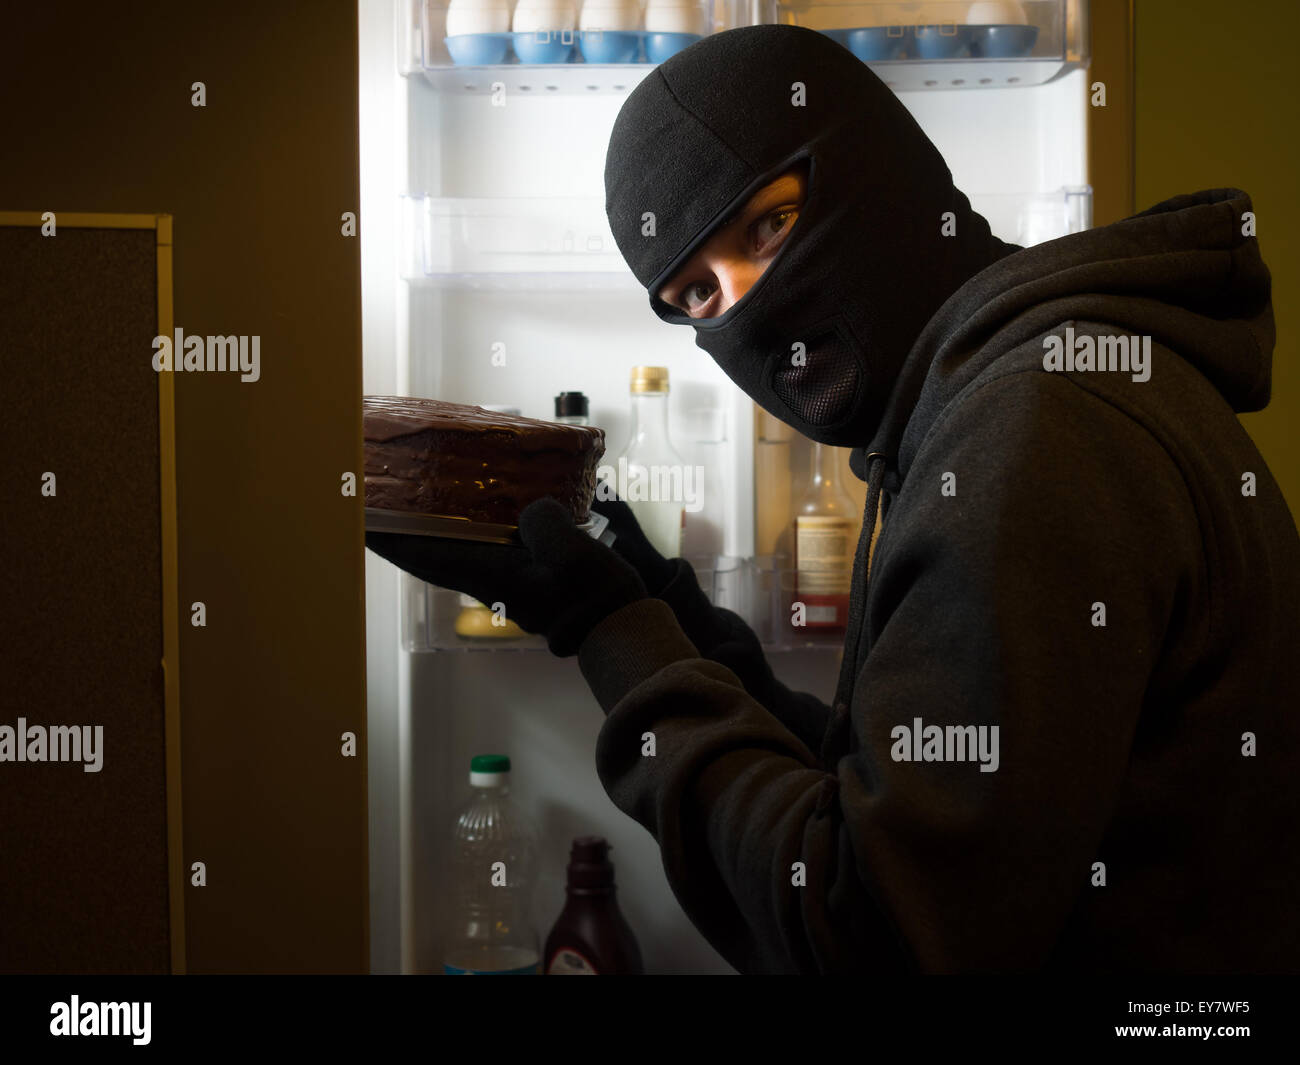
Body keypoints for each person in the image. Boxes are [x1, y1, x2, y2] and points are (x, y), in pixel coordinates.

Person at [366, 24, 1300, 973]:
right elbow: (895, 794)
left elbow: (870, 929)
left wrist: (612, 633)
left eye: (769, 225)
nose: (747, 310)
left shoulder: (1033, 433)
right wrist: (661, 611)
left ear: (882, 165)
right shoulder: (1004, 399)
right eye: (697, 296)